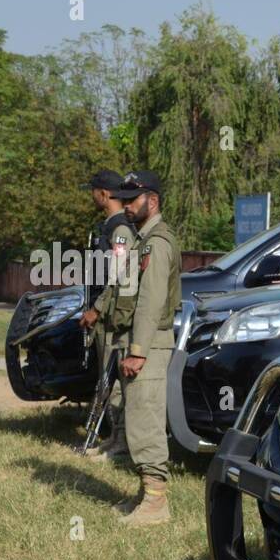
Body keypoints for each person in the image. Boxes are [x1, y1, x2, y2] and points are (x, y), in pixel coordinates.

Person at [103, 169, 181, 527]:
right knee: (137, 418)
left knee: (145, 422)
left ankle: (156, 502)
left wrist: (137, 350)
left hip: (149, 345)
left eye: (132, 200)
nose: (126, 206)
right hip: (139, 341)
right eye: (123, 199)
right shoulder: (141, 239)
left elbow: (151, 301)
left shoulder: (157, 243)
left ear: (153, 200)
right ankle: (144, 494)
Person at [77, 169, 136, 460]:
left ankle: (122, 444)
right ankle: (115, 439)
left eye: (93, 191)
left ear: (103, 193)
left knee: (114, 383)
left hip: (112, 315)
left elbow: (119, 277)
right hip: (107, 312)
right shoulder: (111, 227)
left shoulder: (120, 229)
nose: (92, 196)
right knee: (107, 380)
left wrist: (97, 309)